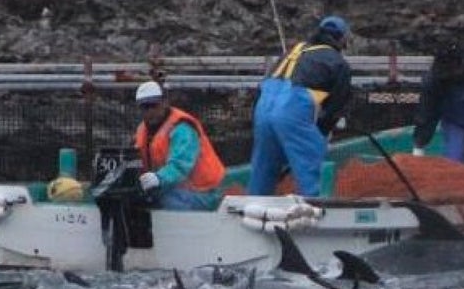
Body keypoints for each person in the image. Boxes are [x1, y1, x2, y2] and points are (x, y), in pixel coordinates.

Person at [248, 15, 353, 196]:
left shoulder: (293, 51)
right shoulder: (338, 63)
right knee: (309, 164)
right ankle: (313, 208)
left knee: (263, 169)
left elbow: (263, 87)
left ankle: (253, 208)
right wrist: (322, 134)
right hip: (291, 108)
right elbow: (335, 107)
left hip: (263, 108)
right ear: (342, 39)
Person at [132, 80, 226, 211]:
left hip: (204, 192)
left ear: (164, 103)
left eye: (154, 105)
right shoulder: (142, 130)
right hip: (172, 187)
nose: (150, 111)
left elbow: (180, 166)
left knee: (166, 202)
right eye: (144, 107)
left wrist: (159, 178)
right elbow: (137, 161)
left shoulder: (182, 128)